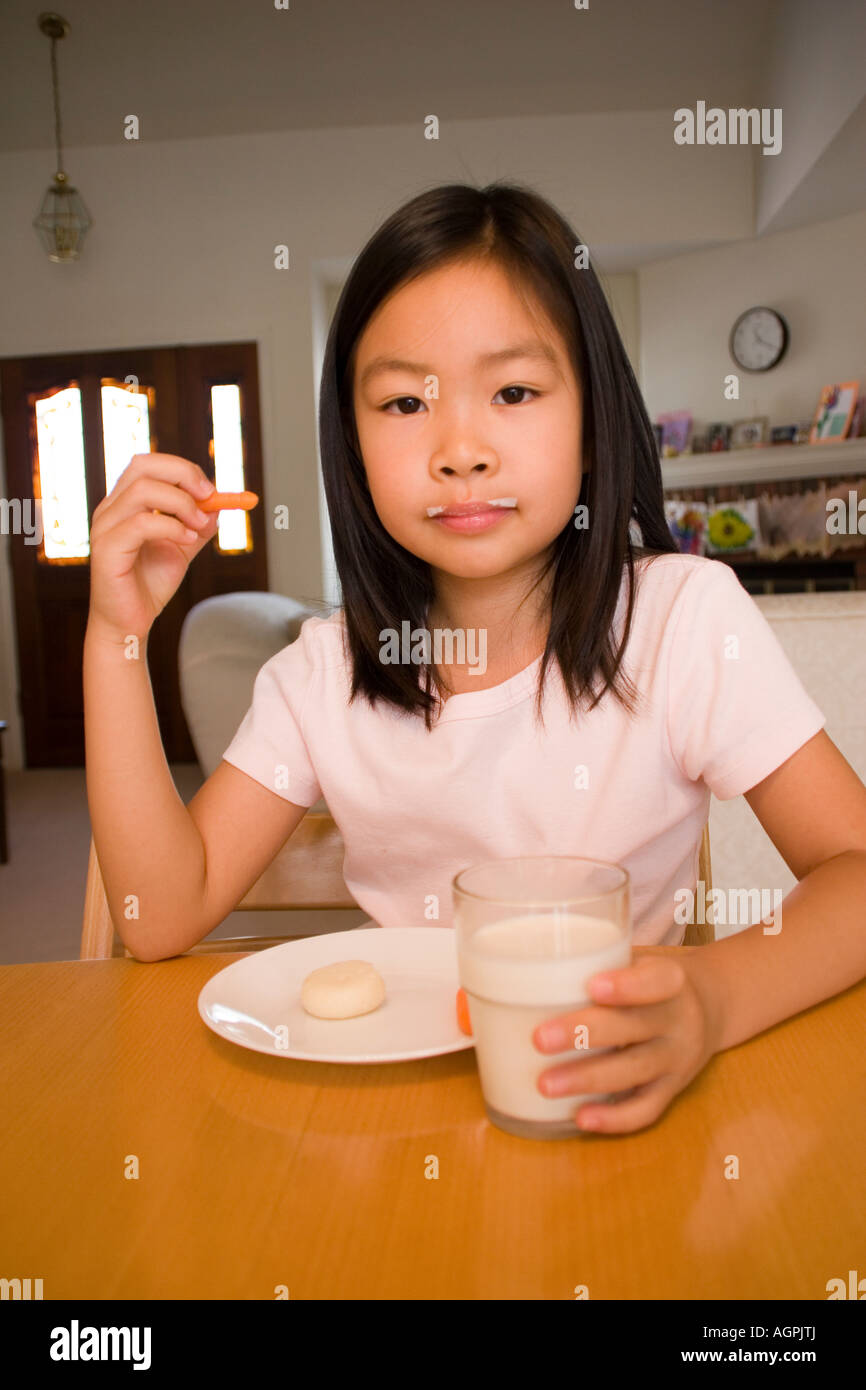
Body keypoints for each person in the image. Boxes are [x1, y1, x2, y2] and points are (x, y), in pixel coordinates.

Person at [84, 181, 866, 1134]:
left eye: (513, 391)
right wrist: (115, 634)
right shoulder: (322, 674)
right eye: (406, 401)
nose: (460, 448)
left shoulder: (682, 622)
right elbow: (156, 917)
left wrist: (714, 996)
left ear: (593, 420)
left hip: (601, 1103)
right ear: (353, 446)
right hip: (383, 1121)